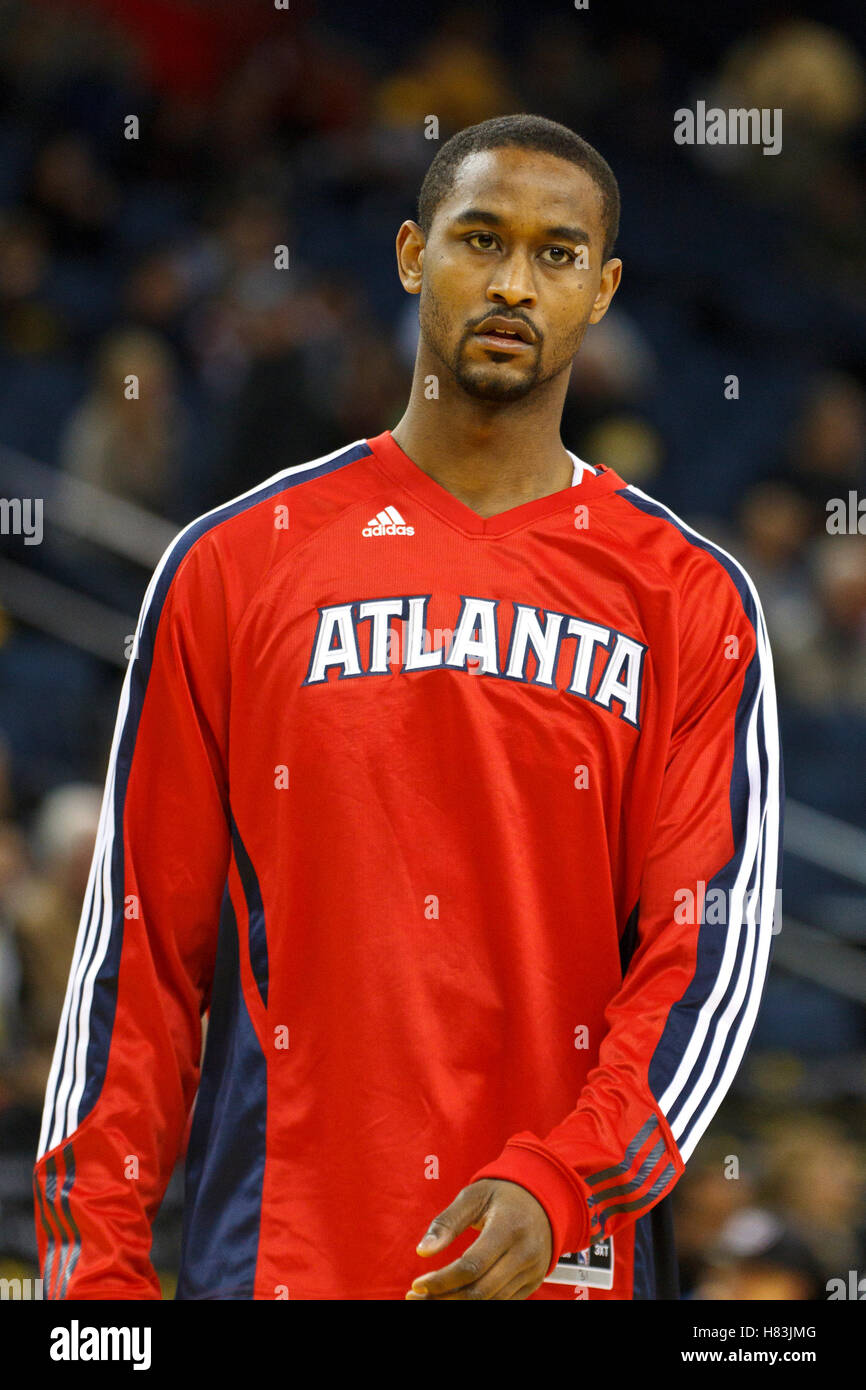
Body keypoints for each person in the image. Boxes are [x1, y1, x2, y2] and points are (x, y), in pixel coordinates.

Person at [33, 114, 782, 1301]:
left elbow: (708, 954)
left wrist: (566, 1179)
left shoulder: (686, 597)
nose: (511, 282)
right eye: (478, 238)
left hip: (555, 1262)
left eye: (555, 253)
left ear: (602, 292)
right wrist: (95, 1286)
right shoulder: (235, 562)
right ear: (408, 255)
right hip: (280, 1257)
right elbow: (140, 964)